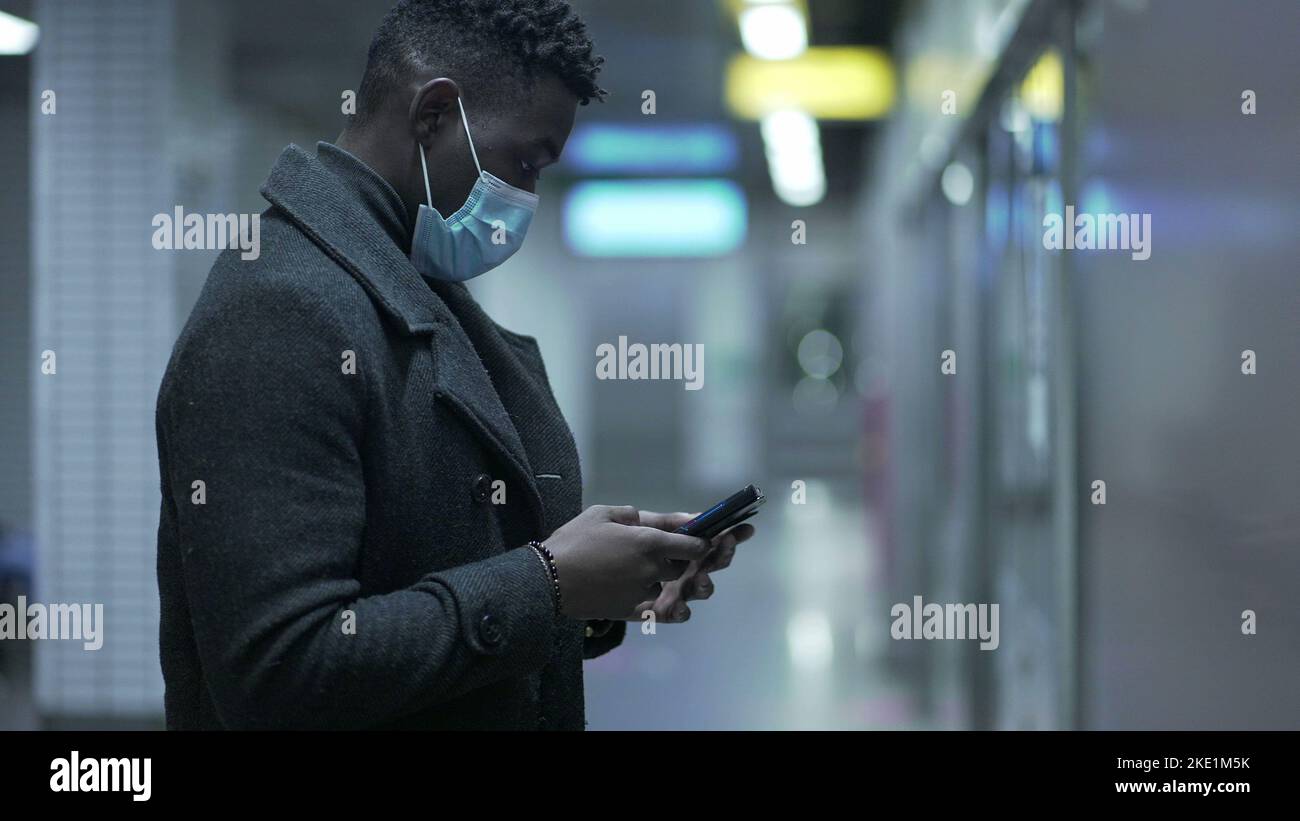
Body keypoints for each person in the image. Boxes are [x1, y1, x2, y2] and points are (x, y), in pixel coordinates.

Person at [153, 0, 754, 730]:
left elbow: (426, 569)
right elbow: (285, 671)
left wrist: (597, 591)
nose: (527, 196)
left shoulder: (413, 289)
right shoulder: (279, 312)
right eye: (525, 161)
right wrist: (550, 583)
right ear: (435, 114)